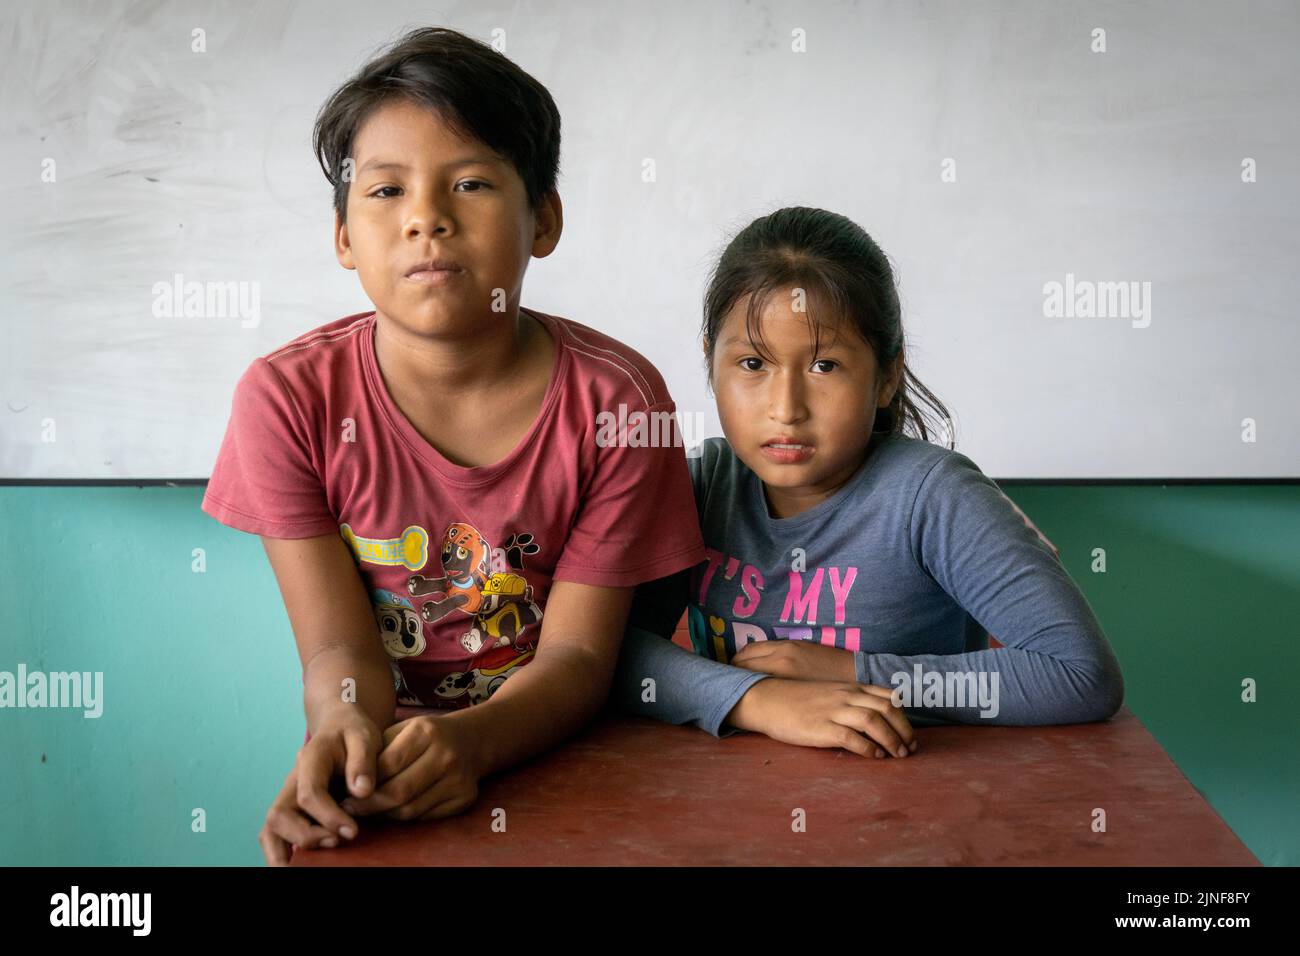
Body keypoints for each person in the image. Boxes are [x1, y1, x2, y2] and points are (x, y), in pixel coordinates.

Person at [200, 27, 704, 864]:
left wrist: (470, 745)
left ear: (542, 219)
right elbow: (336, 651)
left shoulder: (618, 399)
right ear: (343, 238)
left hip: (580, 767)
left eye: (470, 183)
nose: (425, 219)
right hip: (393, 779)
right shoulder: (287, 400)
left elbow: (580, 656)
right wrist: (345, 736)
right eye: (385, 192)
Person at [612, 206, 1125, 758]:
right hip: (730, 811)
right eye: (753, 364)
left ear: (886, 377)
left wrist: (862, 673)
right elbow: (605, 653)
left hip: (912, 799)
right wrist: (757, 700)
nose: (786, 410)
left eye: (824, 366)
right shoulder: (705, 485)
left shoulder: (932, 497)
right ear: (711, 364)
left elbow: (1079, 673)